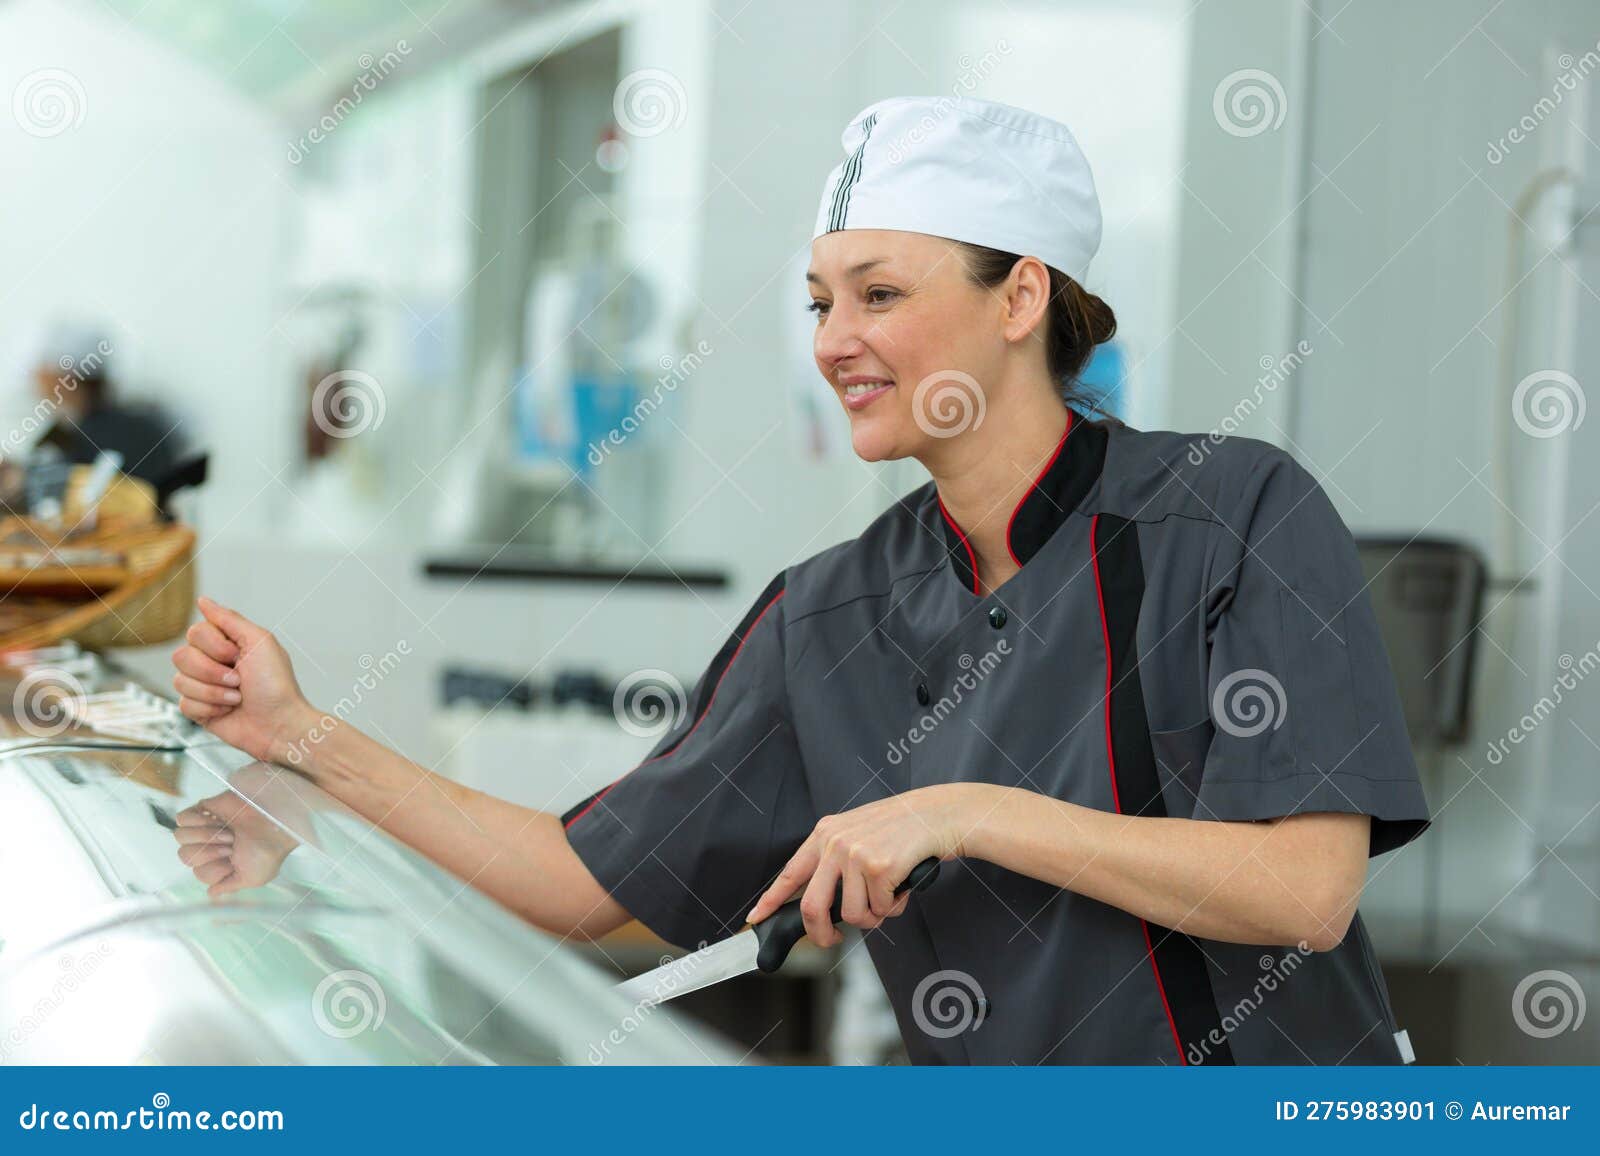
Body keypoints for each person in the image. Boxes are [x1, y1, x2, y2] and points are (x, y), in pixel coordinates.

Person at [169, 96, 1431, 1065]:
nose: (833, 341)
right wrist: (301, 736)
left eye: (880, 293)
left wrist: (958, 810)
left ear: (1021, 296)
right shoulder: (830, 611)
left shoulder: (1232, 508)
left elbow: (1305, 891)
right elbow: (577, 883)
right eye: (821, 299)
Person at [30, 323, 180, 484]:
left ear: (66, 378)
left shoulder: (80, 441)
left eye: (44, 367)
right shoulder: (147, 427)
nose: (35, 376)